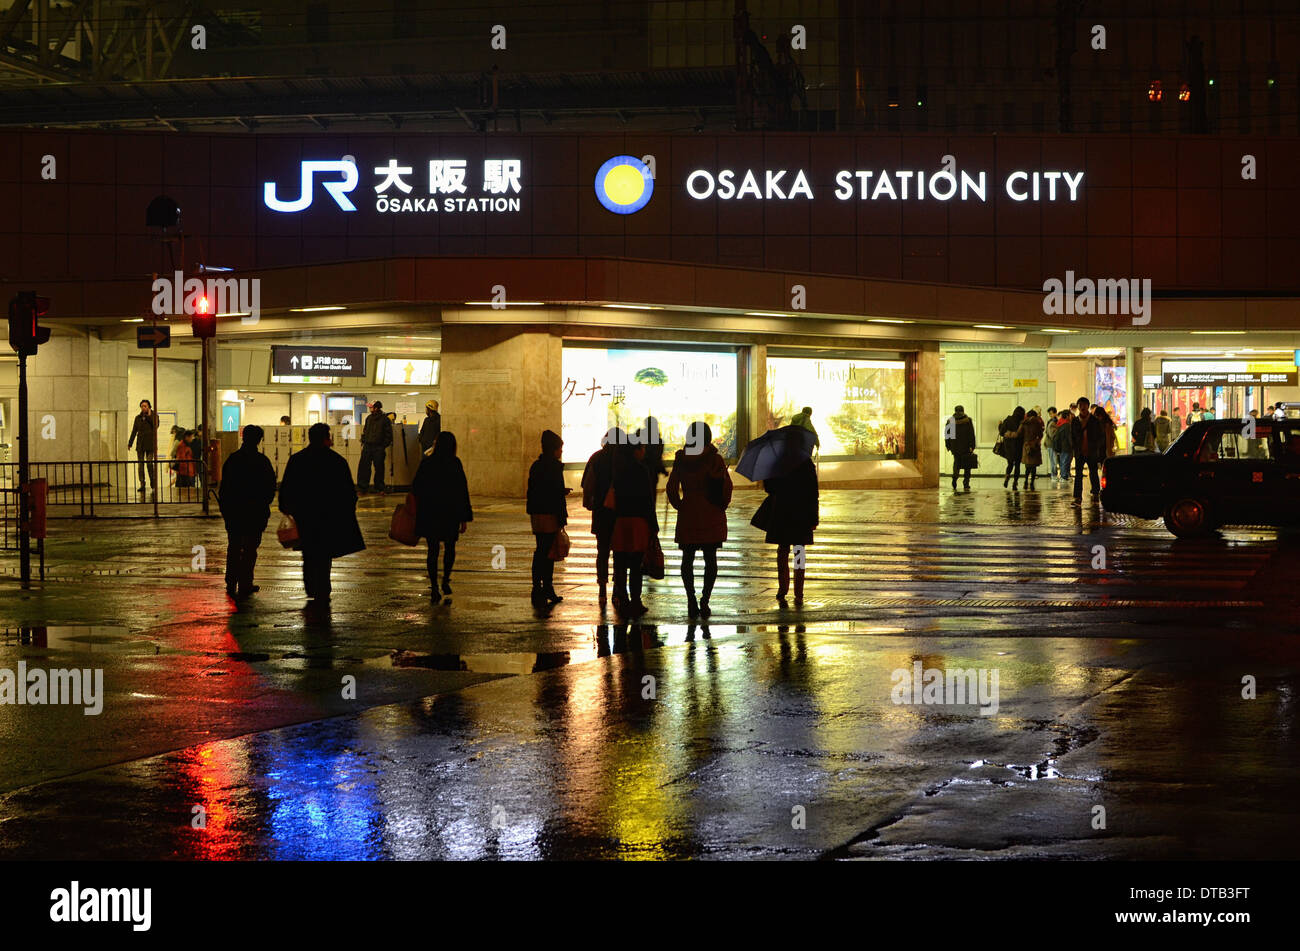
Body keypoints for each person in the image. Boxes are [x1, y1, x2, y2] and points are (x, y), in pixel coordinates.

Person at [278, 423, 366, 605]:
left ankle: (311, 586)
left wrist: (287, 508)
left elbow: (287, 488)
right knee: (325, 554)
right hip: (328, 516)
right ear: (326, 438)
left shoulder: (297, 460)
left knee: (309, 552)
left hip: (305, 515)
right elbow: (348, 492)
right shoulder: (336, 461)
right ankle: (323, 590)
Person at [666, 422, 732, 618]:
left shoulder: (681, 459)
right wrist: (721, 506)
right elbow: (726, 487)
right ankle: (705, 600)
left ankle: (691, 600)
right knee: (710, 559)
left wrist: (680, 505)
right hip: (711, 514)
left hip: (689, 513)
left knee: (687, 559)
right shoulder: (714, 459)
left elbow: (671, 488)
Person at [217, 425, 276, 601]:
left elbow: (224, 488)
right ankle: (245, 583)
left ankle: (231, 582)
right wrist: (263, 506)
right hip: (255, 513)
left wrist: (226, 511)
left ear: (243, 437)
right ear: (259, 440)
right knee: (250, 548)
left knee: (234, 546)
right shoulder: (262, 461)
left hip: (235, 512)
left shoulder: (233, 460)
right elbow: (270, 488)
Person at [412, 430, 472, 600]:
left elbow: (416, 487)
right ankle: (446, 579)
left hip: (431, 512)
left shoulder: (427, 463)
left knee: (433, 550)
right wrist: (464, 518)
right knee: (450, 548)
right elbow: (462, 491)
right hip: (450, 513)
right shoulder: (455, 463)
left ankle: (434, 587)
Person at [754, 457, 819, 608]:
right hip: (801, 514)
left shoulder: (777, 460)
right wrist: (814, 517)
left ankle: (783, 588)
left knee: (783, 550)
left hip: (781, 511)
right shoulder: (806, 463)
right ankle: (799, 591)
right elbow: (813, 492)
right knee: (799, 551)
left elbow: (769, 487)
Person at [610, 440, 655, 616]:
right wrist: (653, 525)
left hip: (621, 521)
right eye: (642, 448)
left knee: (620, 563)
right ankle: (635, 601)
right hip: (638, 522)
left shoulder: (618, 469)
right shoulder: (641, 470)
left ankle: (623, 598)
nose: (644, 451)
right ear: (635, 451)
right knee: (636, 565)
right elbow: (647, 500)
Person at [581, 427, 623, 606]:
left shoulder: (596, 458)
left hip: (601, 511)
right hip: (621, 513)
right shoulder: (624, 460)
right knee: (621, 553)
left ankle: (602, 589)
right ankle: (619, 590)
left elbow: (588, 484)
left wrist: (588, 502)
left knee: (603, 552)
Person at [526, 430, 568, 607]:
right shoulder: (555, 467)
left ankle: (537, 588)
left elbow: (533, 490)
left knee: (541, 550)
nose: (561, 452)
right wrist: (562, 518)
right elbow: (556, 494)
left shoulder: (536, 466)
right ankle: (547, 587)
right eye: (560, 449)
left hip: (537, 513)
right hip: (550, 514)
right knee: (548, 553)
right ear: (554, 449)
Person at [1070, 397, 1107, 504]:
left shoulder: (1094, 421)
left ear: (1088, 406)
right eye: (1080, 405)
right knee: (1078, 475)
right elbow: (1072, 436)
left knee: (1093, 473)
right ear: (1078, 407)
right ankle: (1077, 497)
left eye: (1084, 405)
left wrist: (1096, 447)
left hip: (1092, 452)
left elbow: (1101, 436)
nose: (1082, 407)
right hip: (1079, 452)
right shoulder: (1075, 421)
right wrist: (1075, 449)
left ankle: (1095, 493)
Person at [357, 400, 394, 493]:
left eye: (371, 407)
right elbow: (365, 431)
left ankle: (379, 487)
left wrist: (383, 446)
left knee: (379, 468)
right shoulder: (368, 418)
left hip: (378, 447)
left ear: (377, 408)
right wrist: (364, 440)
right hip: (367, 446)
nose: (370, 409)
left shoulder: (385, 419)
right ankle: (362, 487)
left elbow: (389, 435)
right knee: (364, 467)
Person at [127, 399, 159, 498]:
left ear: (149, 407)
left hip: (150, 444)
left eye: (145, 406)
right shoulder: (138, 418)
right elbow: (134, 431)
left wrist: (149, 416)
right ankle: (142, 484)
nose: (143, 408)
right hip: (140, 444)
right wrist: (130, 443)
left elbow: (156, 426)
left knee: (149, 463)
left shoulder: (154, 416)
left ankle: (153, 483)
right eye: (142, 406)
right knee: (140, 465)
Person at [944, 405, 976, 491]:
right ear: (963, 410)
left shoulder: (950, 421)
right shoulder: (968, 420)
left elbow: (947, 435)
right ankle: (966, 483)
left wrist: (948, 446)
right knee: (967, 465)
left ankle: (955, 478)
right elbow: (971, 434)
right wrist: (972, 446)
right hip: (966, 447)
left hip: (955, 447)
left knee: (957, 463)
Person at [1015, 408, 1045, 489]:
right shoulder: (1038, 423)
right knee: (1034, 466)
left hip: (1026, 445)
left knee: (1027, 465)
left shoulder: (1024, 423)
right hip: (1035, 445)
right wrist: (1036, 441)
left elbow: (1018, 434)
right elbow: (1041, 435)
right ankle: (1031, 482)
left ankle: (1025, 481)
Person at [999, 406, 1026, 489]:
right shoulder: (1022, 422)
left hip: (1008, 446)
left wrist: (1000, 425)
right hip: (1018, 445)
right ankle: (1015, 482)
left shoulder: (1008, 420)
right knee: (1017, 465)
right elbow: (1024, 434)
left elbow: (1001, 432)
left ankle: (1007, 477)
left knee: (1010, 463)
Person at [1052, 409, 1073, 481]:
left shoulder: (1060, 423)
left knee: (1063, 461)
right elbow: (1069, 436)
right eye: (1070, 415)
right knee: (1065, 461)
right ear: (1067, 416)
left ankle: (1064, 476)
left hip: (1062, 446)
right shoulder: (1067, 425)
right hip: (1066, 446)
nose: (1071, 417)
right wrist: (1072, 445)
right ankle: (1063, 476)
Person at [1044, 408, 1059, 481]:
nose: (1050, 415)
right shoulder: (1052, 422)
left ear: (1055, 413)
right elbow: (1051, 434)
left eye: (1051, 413)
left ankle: (1054, 474)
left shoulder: (1054, 421)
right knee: (1053, 460)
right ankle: (1053, 475)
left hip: (1053, 444)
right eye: (1049, 414)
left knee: (1054, 460)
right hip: (1051, 444)